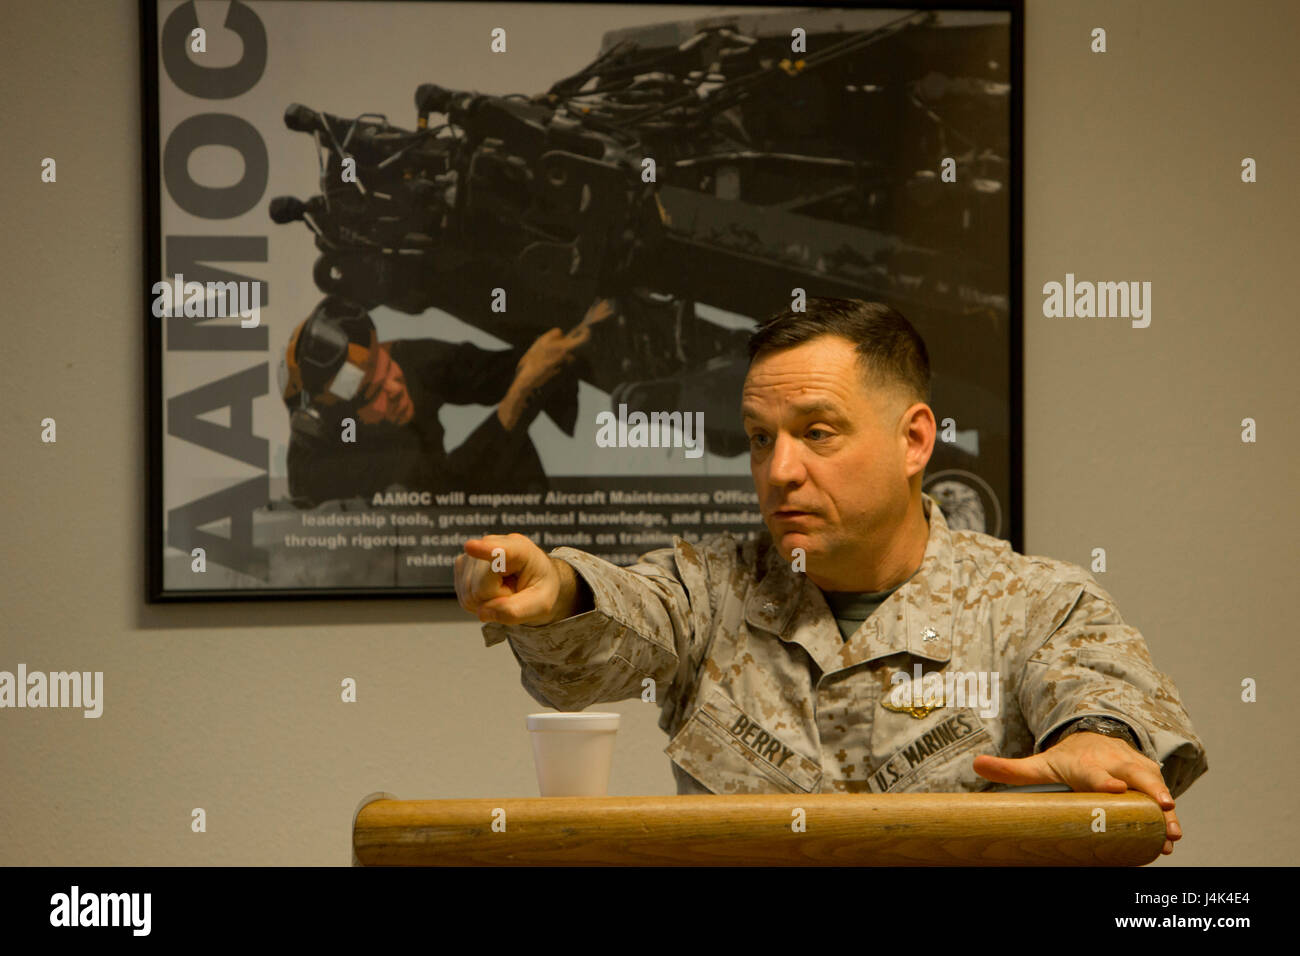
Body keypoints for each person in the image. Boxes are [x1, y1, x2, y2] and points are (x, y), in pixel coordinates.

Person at [454, 297, 1206, 856]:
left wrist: (1098, 738)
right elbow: (616, 623)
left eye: (818, 433)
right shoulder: (710, 591)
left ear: (914, 440)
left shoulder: (1034, 603)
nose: (780, 471)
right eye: (759, 439)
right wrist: (555, 592)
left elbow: (1099, 688)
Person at [279, 295, 606, 505]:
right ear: (344, 425)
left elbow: (487, 370)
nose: (394, 387)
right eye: (373, 393)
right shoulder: (333, 468)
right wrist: (518, 398)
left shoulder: (408, 361)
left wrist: (565, 344)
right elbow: (448, 493)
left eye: (385, 364)